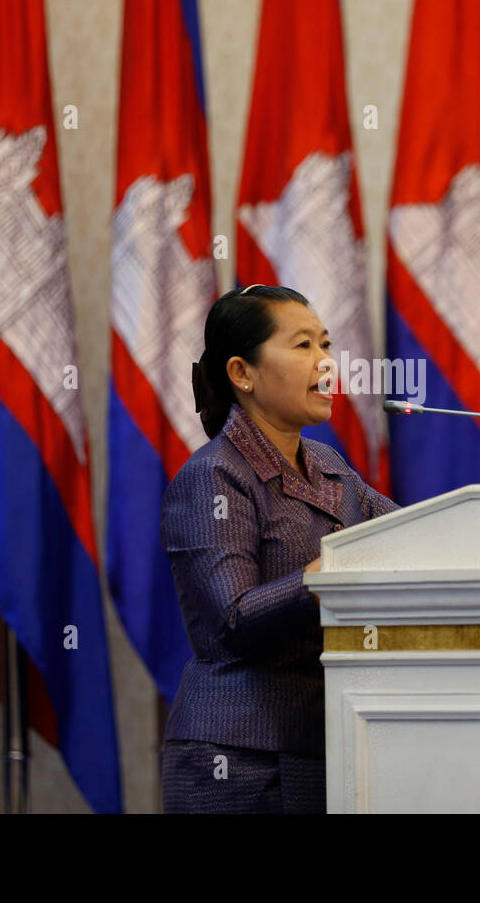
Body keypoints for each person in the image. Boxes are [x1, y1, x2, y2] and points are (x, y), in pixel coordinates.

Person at [159, 284, 399, 813]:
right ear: (242, 374)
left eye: (327, 345)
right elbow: (230, 622)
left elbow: (411, 537)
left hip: (325, 745)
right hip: (238, 759)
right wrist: (328, 573)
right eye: (303, 346)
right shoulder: (214, 475)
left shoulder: (330, 466)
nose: (327, 362)